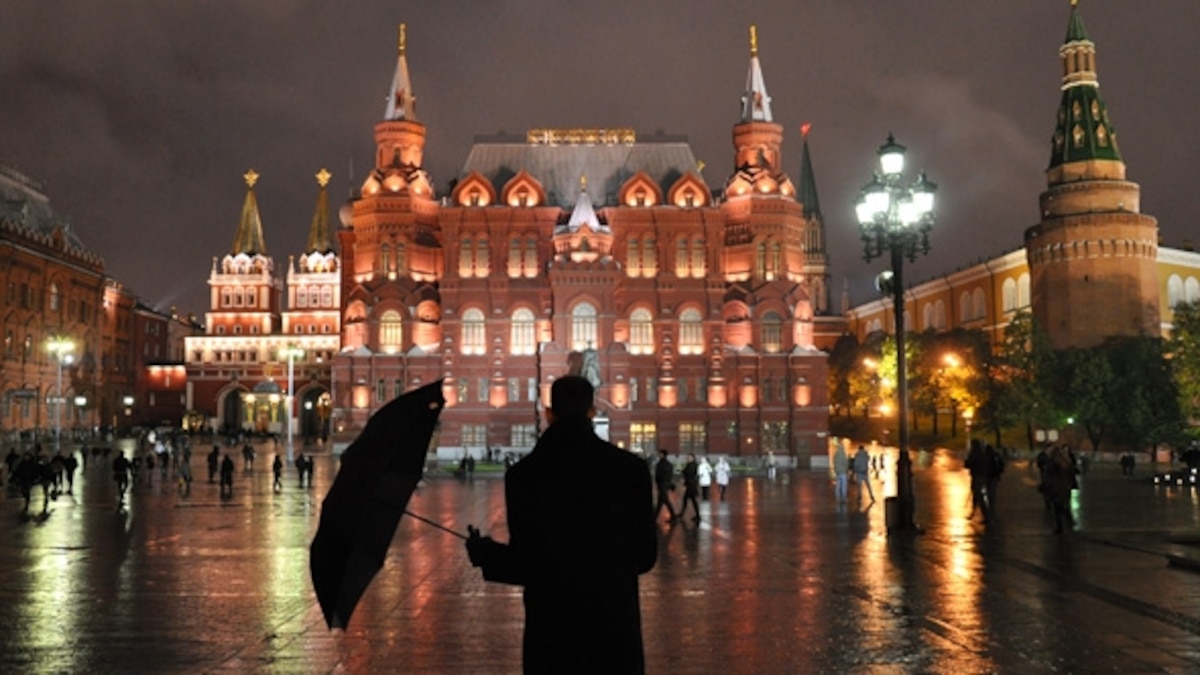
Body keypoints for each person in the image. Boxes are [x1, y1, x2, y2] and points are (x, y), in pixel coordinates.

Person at [466, 375, 657, 674]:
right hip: (613, 629)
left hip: (551, 632)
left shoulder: (524, 476)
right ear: (592, 411)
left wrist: (485, 553)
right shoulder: (630, 470)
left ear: (548, 413)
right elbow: (645, 556)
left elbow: (526, 564)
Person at [1046, 445, 1078, 533]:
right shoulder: (1066, 462)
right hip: (1065, 486)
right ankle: (1066, 522)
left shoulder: (1054, 463)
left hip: (1057, 487)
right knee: (1062, 505)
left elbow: (1050, 475)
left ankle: (1062, 525)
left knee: (1058, 506)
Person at [653, 449, 678, 523]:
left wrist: (658, 482)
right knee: (661, 502)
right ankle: (655, 517)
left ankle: (673, 516)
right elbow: (670, 475)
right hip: (666, 484)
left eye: (660, 454)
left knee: (665, 501)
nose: (659, 455)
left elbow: (658, 475)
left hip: (662, 484)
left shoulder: (660, 464)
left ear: (662, 455)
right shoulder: (669, 464)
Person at [679, 453, 701, 522]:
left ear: (693, 458)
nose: (688, 458)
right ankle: (682, 514)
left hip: (691, 486)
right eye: (688, 457)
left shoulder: (692, 465)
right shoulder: (690, 465)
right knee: (688, 500)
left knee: (691, 500)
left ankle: (697, 515)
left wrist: (682, 471)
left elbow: (689, 473)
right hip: (690, 485)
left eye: (689, 457)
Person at [832, 439, 849, 503]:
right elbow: (845, 463)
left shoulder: (835, 455)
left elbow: (834, 463)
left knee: (838, 486)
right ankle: (843, 498)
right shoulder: (843, 454)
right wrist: (846, 469)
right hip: (843, 472)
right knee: (843, 486)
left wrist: (836, 470)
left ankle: (837, 498)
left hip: (837, 472)